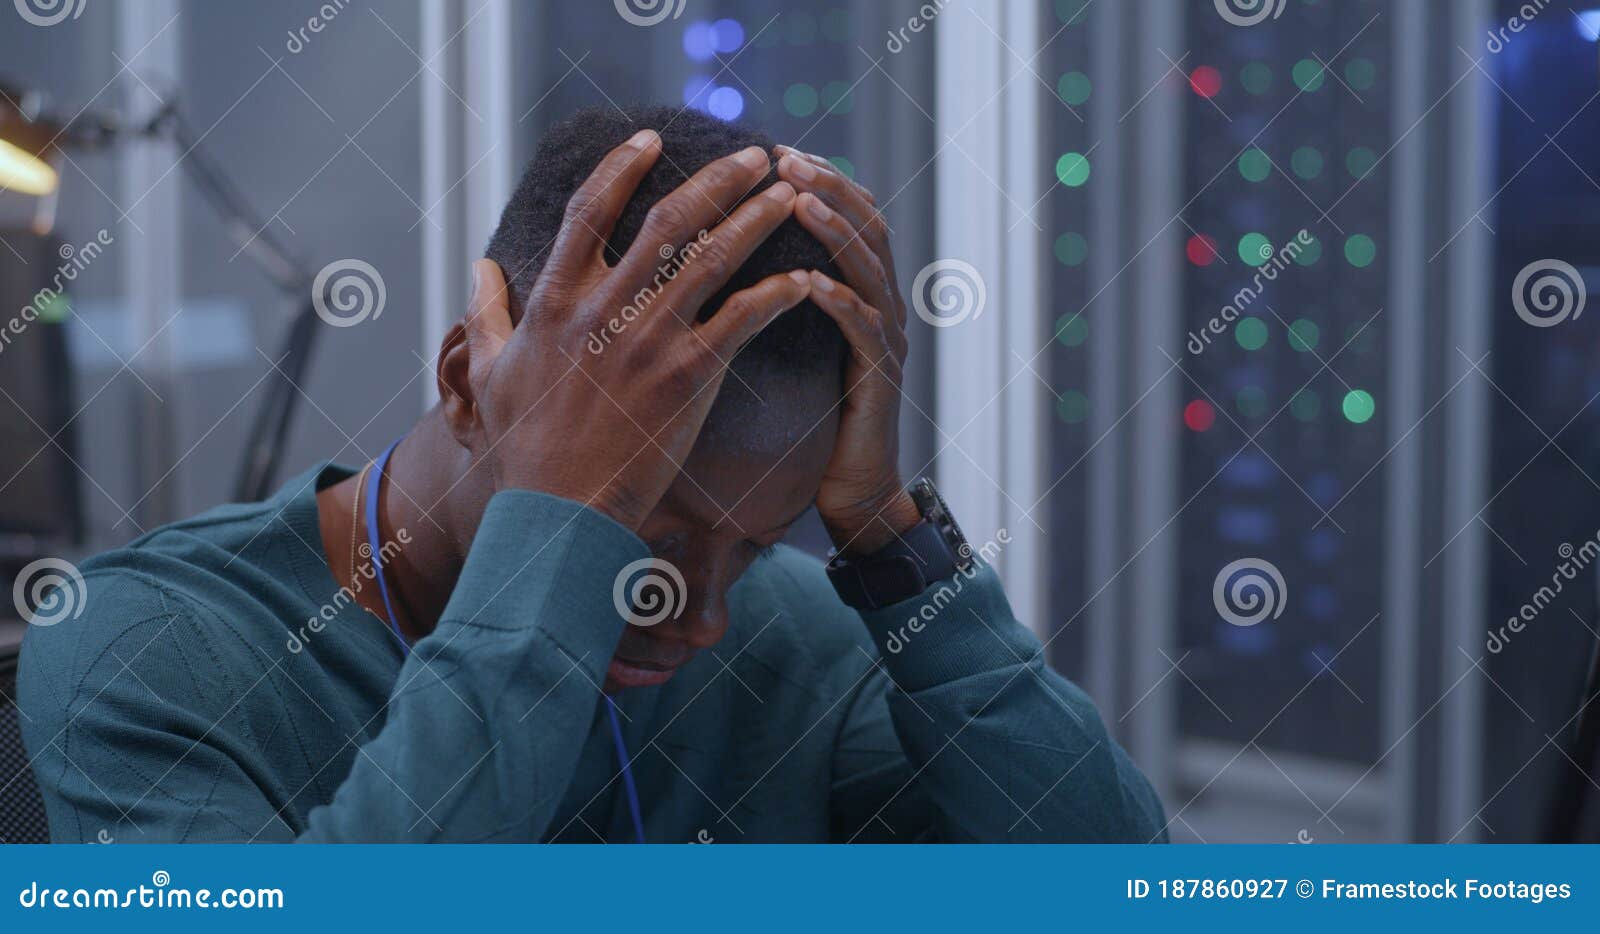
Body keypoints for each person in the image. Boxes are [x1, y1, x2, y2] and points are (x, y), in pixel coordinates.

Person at [19, 106, 1166, 843]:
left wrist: (887, 541)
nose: (705, 615)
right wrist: (565, 525)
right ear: (470, 382)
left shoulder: (795, 645)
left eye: (757, 545)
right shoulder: (144, 653)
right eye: (649, 533)